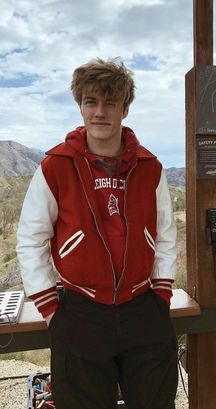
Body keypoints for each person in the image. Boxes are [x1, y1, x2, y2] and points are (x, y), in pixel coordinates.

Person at [17, 57, 178, 409]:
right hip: (80, 311)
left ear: (125, 108)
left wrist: (162, 293)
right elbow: (31, 238)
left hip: (143, 309)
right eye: (91, 102)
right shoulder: (56, 165)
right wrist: (51, 310)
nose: (100, 111)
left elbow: (165, 234)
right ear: (81, 106)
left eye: (110, 102)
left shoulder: (150, 167)